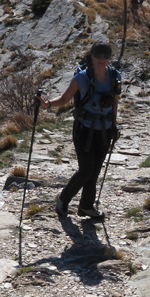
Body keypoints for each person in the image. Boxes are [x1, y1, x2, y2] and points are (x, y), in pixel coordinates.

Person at [38, 42, 120, 219]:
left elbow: (115, 102)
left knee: (95, 171)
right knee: (85, 171)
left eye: (105, 56)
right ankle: (63, 200)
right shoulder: (82, 77)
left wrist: (114, 126)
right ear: (91, 56)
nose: (101, 59)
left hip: (105, 130)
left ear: (109, 58)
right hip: (84, 130)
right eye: (98, 55)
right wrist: (47, 104)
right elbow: (65, 98)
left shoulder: (115, 76)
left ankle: (86, 207)